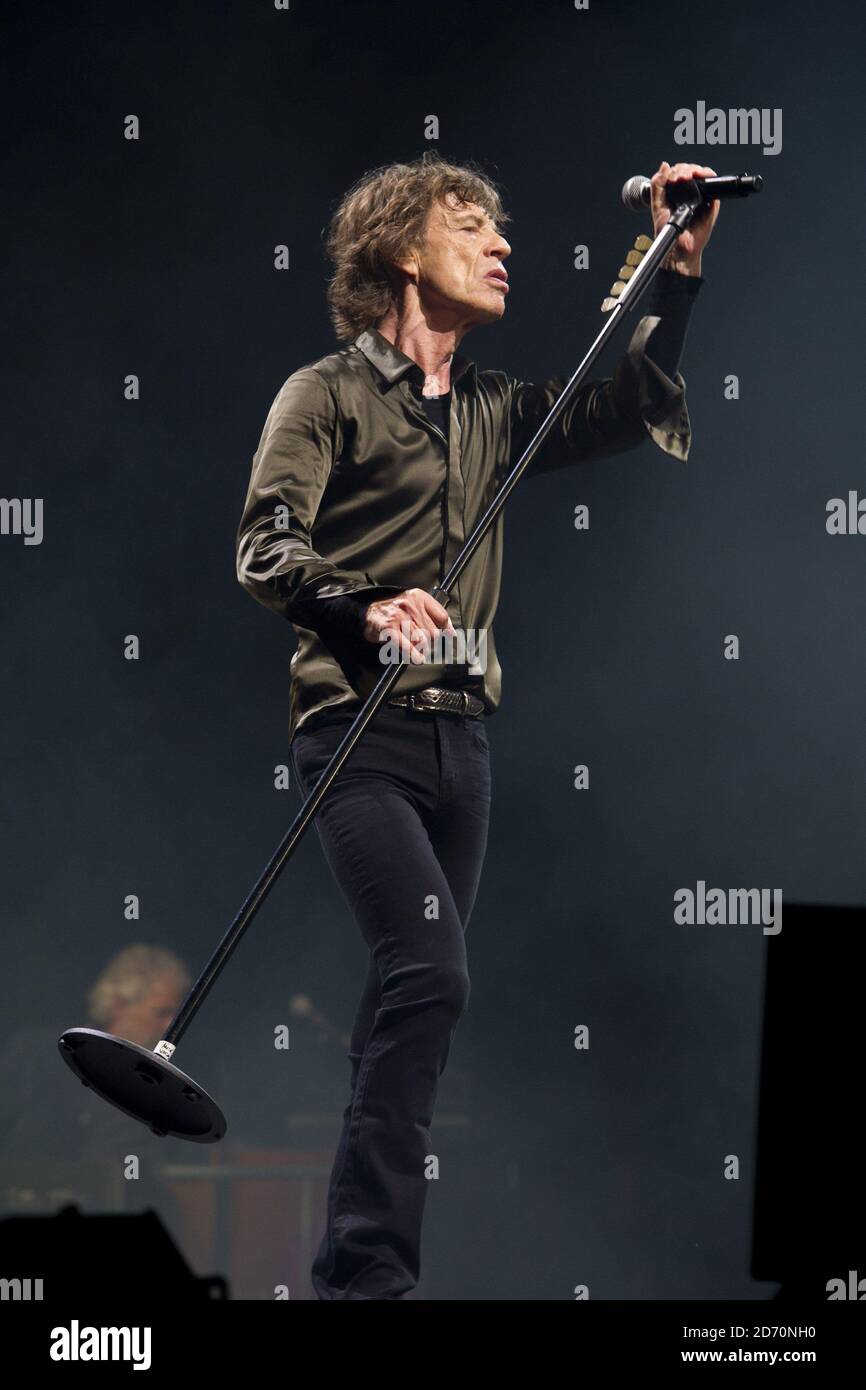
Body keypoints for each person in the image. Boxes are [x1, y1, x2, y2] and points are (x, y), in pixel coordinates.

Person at [236, 151, 719, 1300]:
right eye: (471, 224)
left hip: (464, 745)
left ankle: (356, 1265)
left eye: (501, 227)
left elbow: (630, 400)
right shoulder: (326, 393)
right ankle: (366, 1274)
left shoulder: (496, 409)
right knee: (429, 971)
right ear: (404, 251)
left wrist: (673, 272)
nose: (501, 243)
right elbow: (264, 543)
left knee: (414, 999)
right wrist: (359, 604)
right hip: (358, 731)